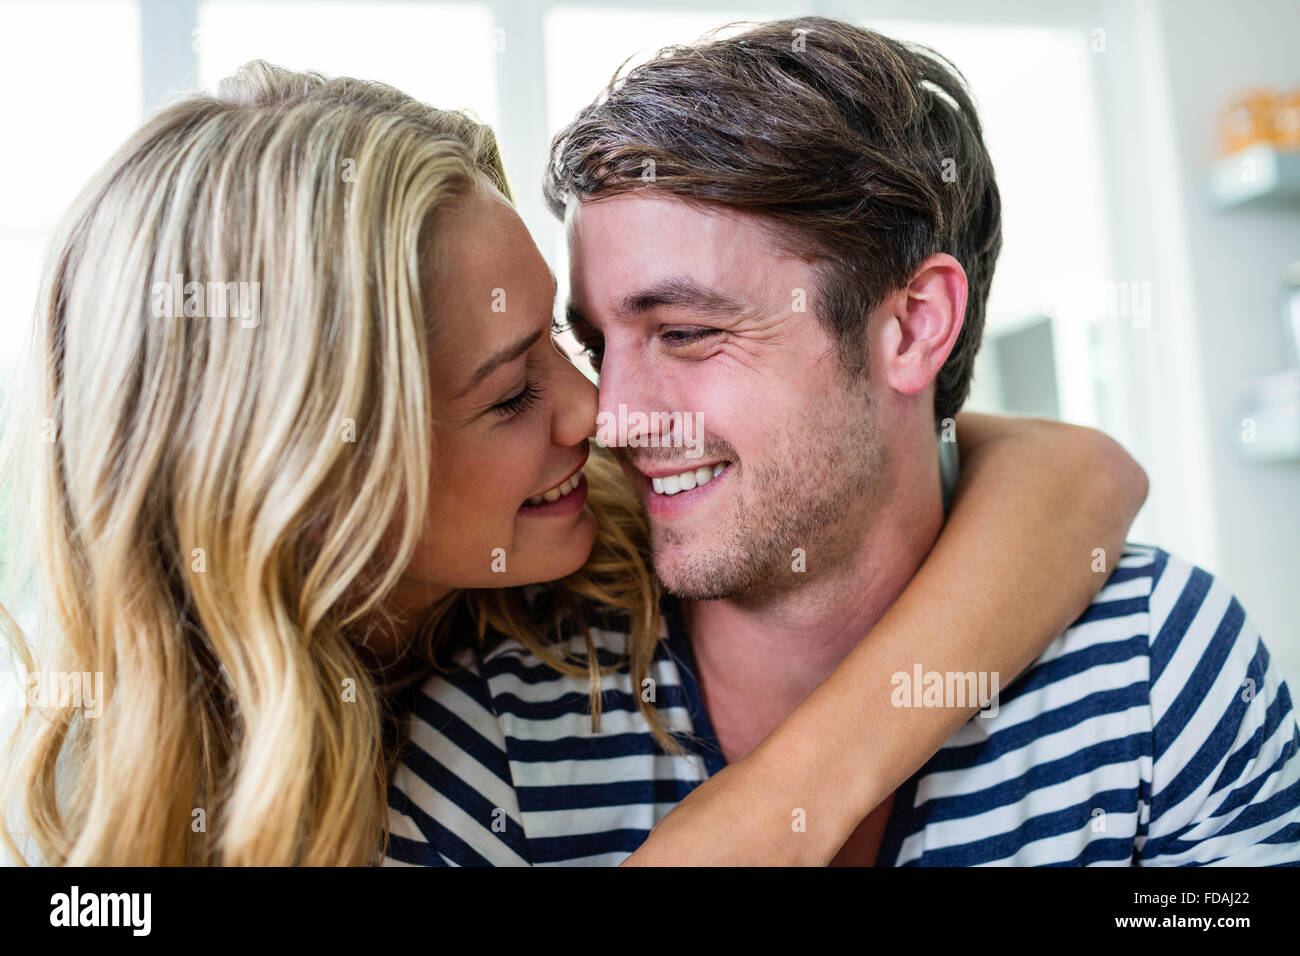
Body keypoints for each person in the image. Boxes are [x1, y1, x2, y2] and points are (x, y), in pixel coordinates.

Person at [1, 59, 1140, 867]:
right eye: (510, 389)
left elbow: (1069, 475)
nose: (599, 412)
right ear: (305, 482)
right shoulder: (124, 804)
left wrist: (772, 809)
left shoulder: (600, 534)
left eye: (567, 339)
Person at [385, 17, 1300, 866]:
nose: (611, 417)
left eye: (687, 333)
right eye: (597, 344)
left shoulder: (1157, 666)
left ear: (910, 327)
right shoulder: (506, 723)